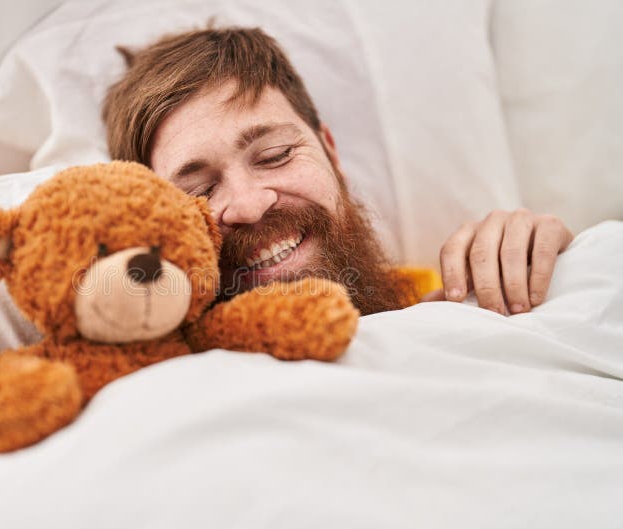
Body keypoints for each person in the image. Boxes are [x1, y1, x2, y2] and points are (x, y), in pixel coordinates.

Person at [102, 27, 574, 315]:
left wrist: (563, 265)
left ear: (331, 153)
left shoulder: (457, 298)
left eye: (275, 155)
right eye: (199, 191)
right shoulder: (155, 368)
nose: (247, 205)